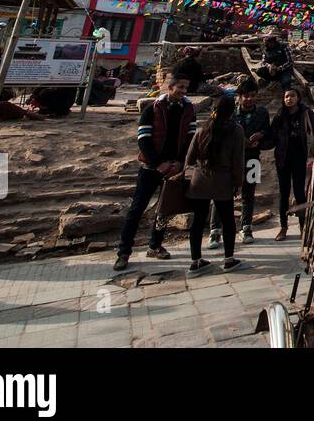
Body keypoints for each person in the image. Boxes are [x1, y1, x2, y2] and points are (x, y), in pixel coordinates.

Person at [114, 74, 197, 271]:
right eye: (180, 87)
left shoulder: (188, 110)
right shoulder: (153, 109)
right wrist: (158, 163)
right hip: (150, 167)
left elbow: (190, 138)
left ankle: (155, 244)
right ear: (170, 87)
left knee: (165, 209)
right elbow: (143, 139)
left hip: (174, 168)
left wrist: (180, 163)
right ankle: (124, 251)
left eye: (186, 88)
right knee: (137, 208)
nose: (183, 91)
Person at [186, 95, 245, 274]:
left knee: (197, 220)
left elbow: (189, 157)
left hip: (200, 179)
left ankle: (195, 260)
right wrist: (238, 182)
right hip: (223, 179)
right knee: (227, 219)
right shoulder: (236, 130)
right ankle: (229, 259)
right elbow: (238, 160)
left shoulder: (203, 129)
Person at [211, 78, 271, 247]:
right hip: (229, 161)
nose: (249, 99)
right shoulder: (229, 113)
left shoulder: (262, 113)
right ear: (239, 96)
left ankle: (246, 228)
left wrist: (261, 136)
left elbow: (268, 132)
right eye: (246, 96)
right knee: (222, 194)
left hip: (253, 158)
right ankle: (215, 231)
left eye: (253, 95)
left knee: (249, 194)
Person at [271, 87, 314, 241]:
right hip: (283, 159)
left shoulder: (306, 113)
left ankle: (303, 226)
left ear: (298, 98)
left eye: (292, 96)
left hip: (299, 158)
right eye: (286, 96)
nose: (289, 99)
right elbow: (272, 135)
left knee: (299, 192)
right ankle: (283, 227)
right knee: (284, 194)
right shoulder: (280, 115)